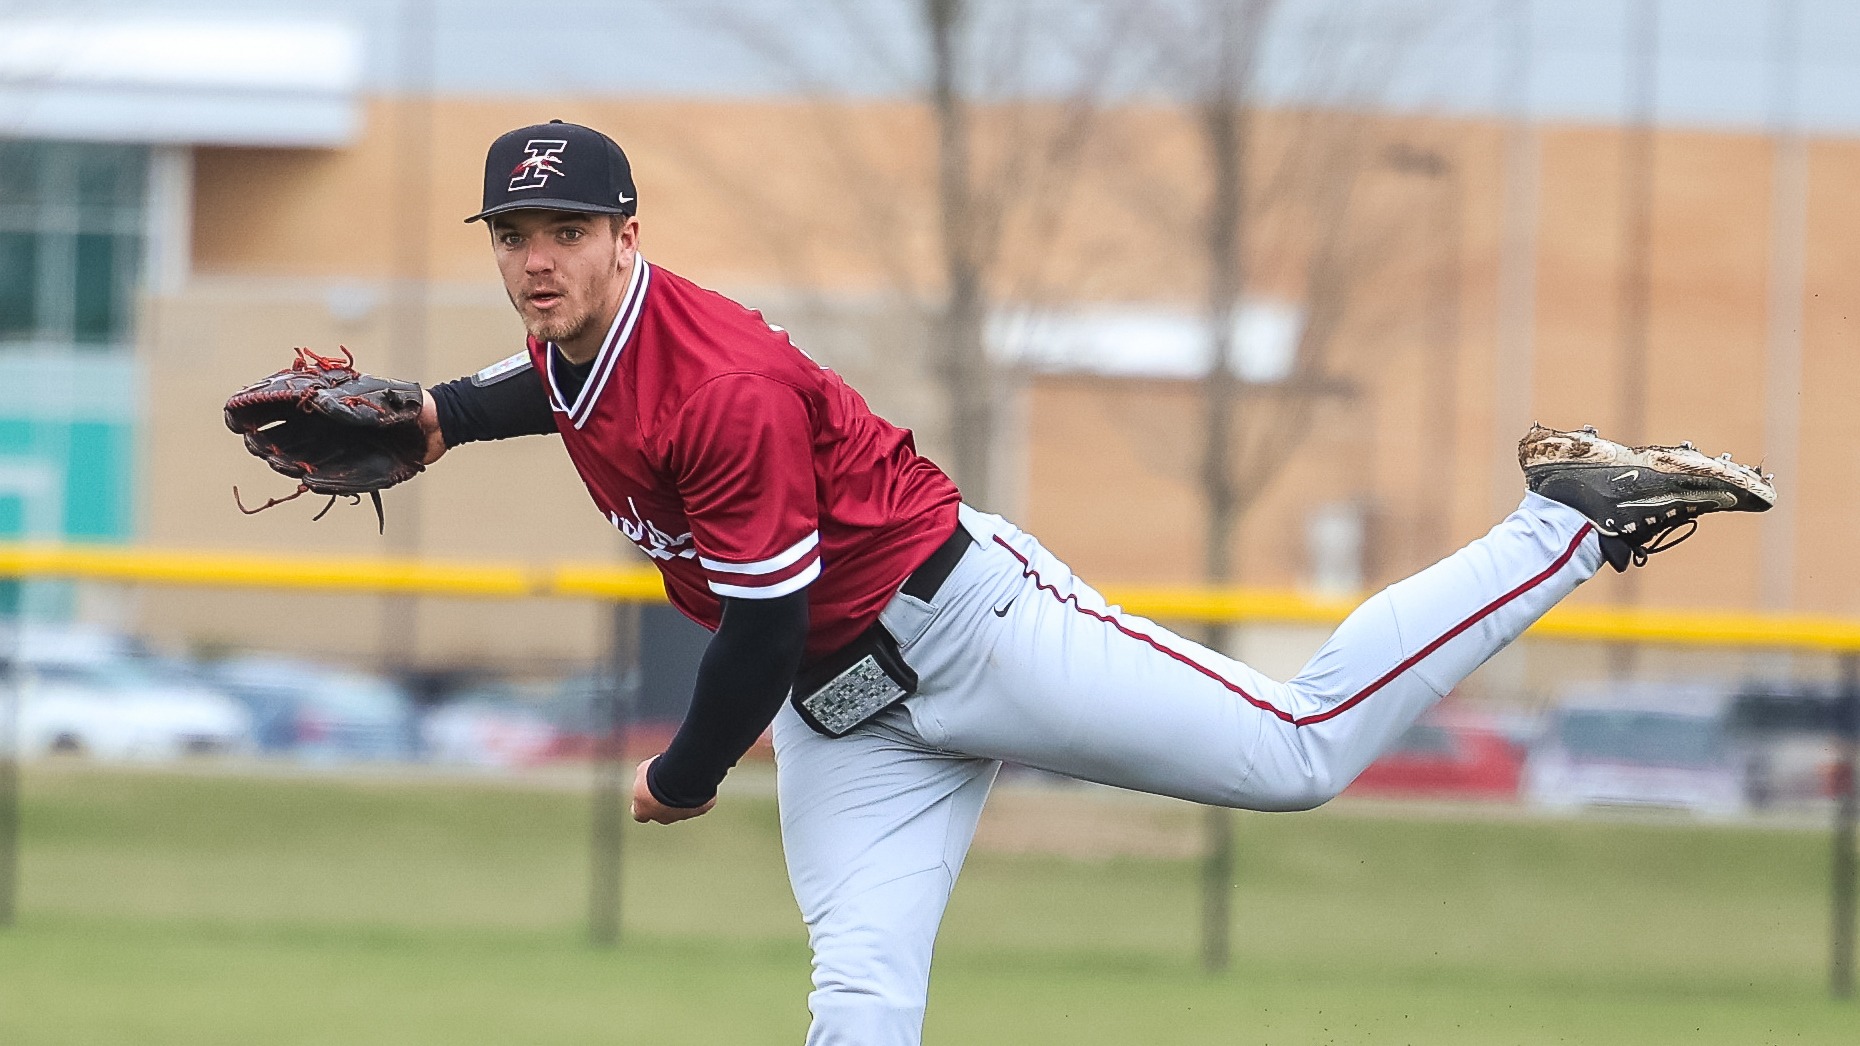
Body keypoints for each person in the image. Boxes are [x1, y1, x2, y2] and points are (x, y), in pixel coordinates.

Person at [415, 121, 1775, 1045]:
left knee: (1297, 748)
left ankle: (1561, 524)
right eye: (514, 231)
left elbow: (762, 623)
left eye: (566, 228)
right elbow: (548, 386)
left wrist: (689, 771)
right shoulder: (578, 341)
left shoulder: (724, 384)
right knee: (863, 988)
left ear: (625, 232)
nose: (537, 257)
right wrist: (430, 415)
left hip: (968, 631)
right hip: (848, 719)